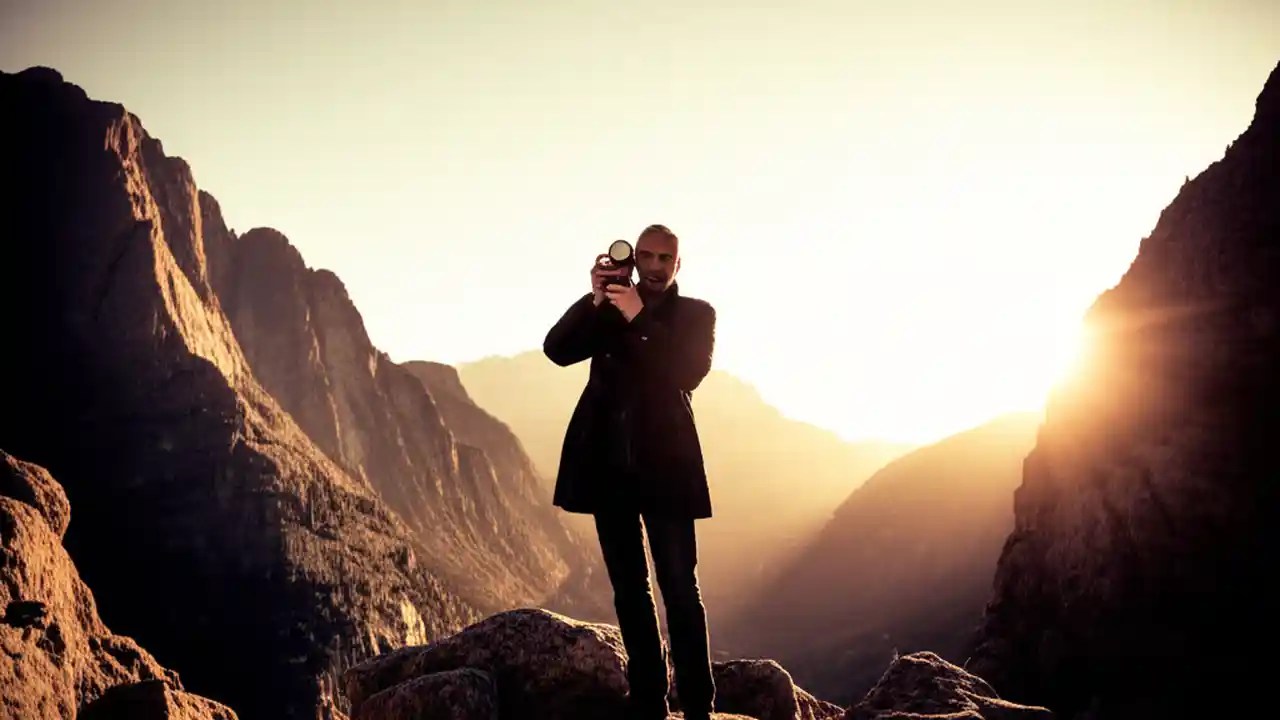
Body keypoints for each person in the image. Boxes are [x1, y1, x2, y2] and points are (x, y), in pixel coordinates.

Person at [543, 223, 717, 720]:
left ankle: (698, 704)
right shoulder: (609, 310)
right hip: (608, 464)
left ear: (678, 264)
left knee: (680, 587)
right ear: (635, 259)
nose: (656, 267)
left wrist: (639, 316)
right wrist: (595, 299)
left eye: (666, 258)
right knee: (630, 588)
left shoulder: (696, 314)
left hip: (668, 467)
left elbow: (687, 372)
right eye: (648, 256)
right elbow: (557, 350)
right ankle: (648, 698)